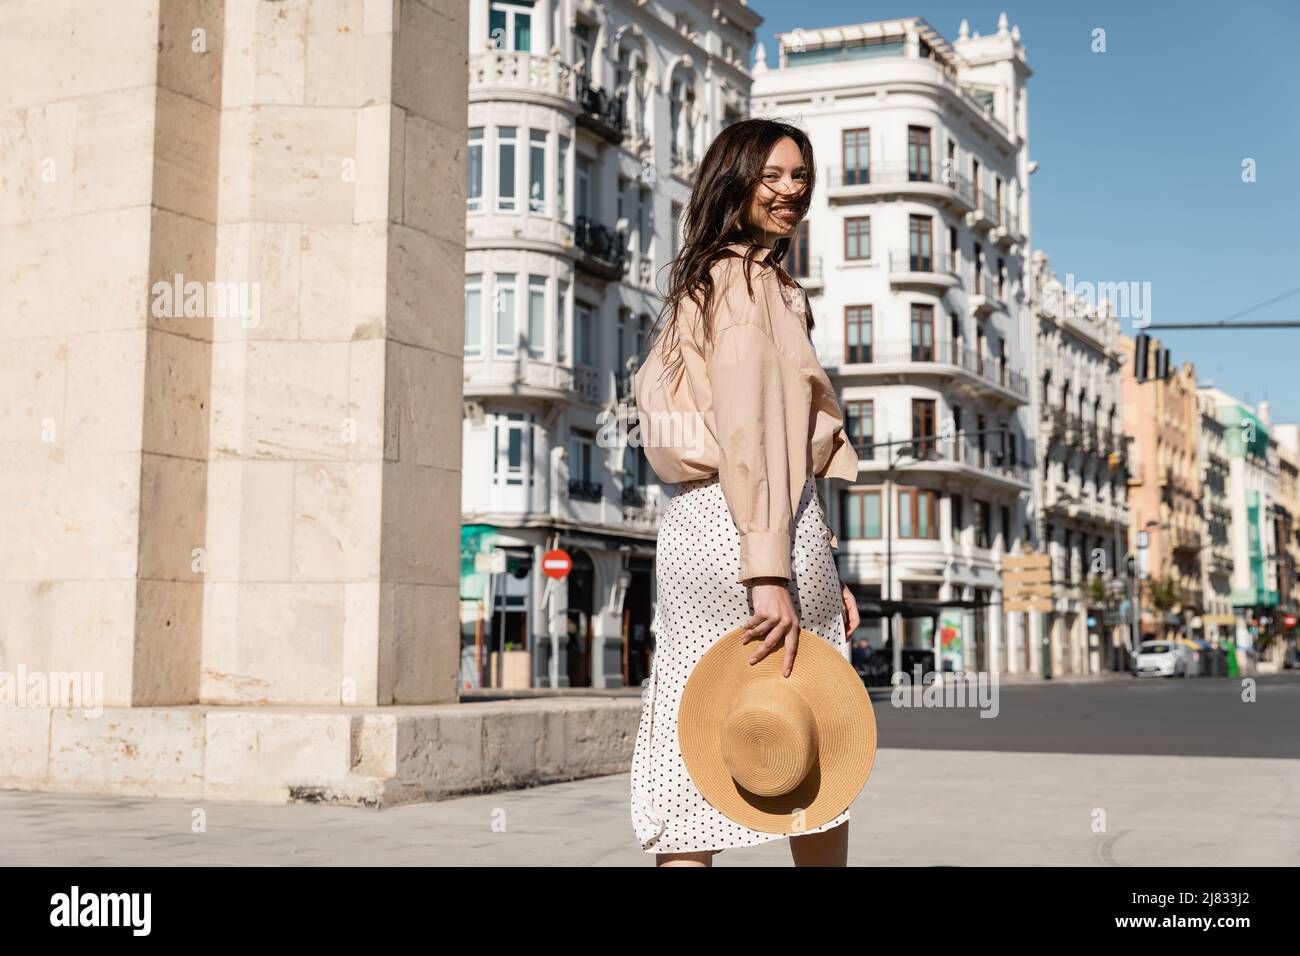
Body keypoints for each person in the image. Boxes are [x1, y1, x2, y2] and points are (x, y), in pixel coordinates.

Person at [628, 119, 862, 867]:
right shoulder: (750, 283)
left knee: (688, 752)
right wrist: (772, 568)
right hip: (754, 529)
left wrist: (819, 555)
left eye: (802, 176)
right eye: (774, 176)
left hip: (701, 525)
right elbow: (755, 432)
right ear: (734, 180)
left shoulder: (694, 286)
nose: (792, 190)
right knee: (815, 742)